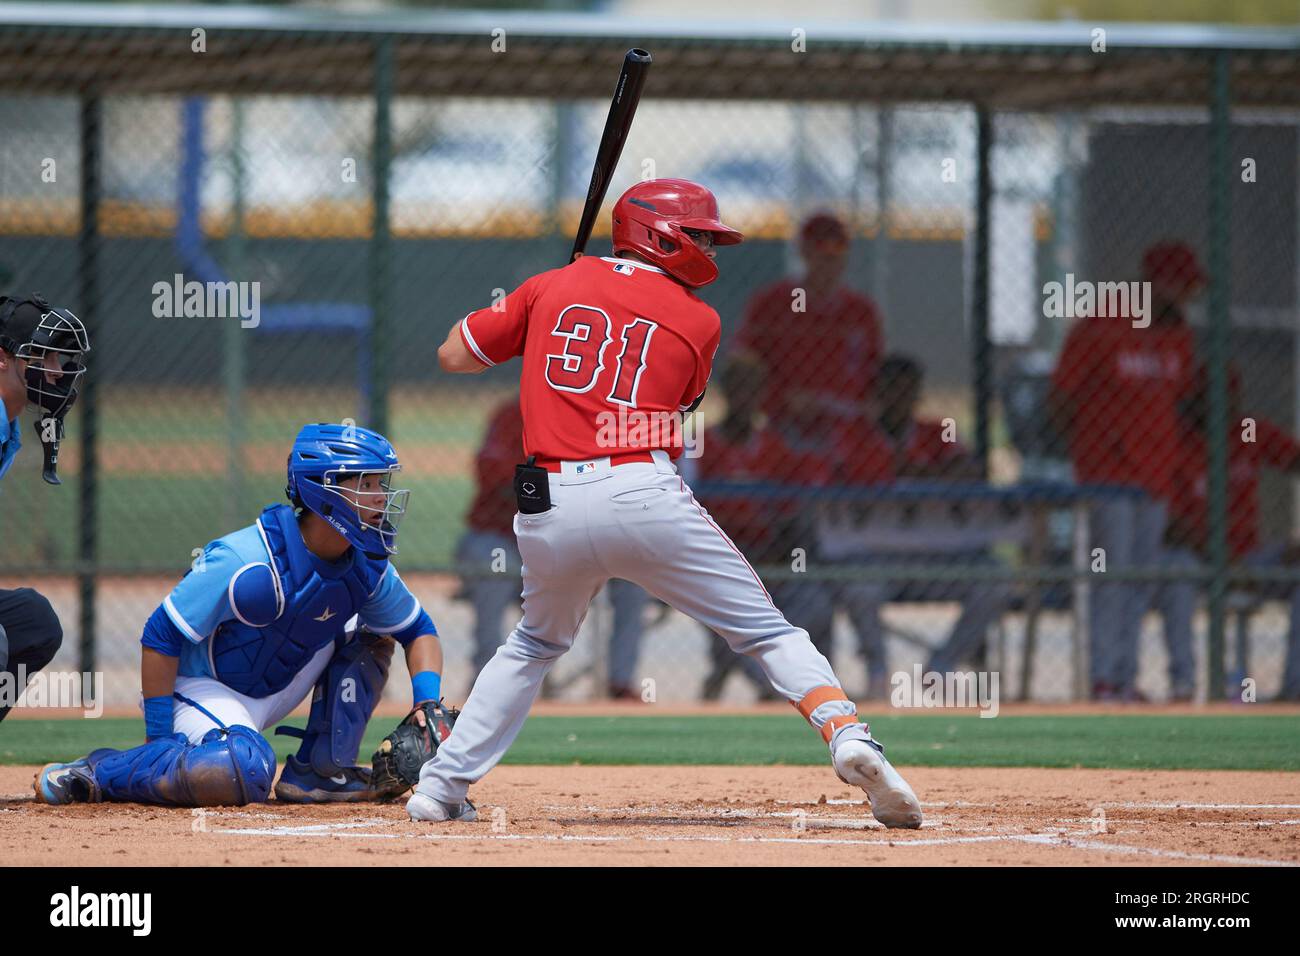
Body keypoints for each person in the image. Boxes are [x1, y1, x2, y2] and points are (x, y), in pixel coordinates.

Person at [413, 178, 921, 828]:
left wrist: (532, 307)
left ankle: (439, 788)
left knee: (533, 645)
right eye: (701, 234)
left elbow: (453, 353)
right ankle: (848, 735)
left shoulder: (550, 285)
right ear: (661, 234)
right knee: (768, 631)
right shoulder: (699, 320)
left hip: (547, 505)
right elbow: (676, 403)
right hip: (640, 492)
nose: (709, 246)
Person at [34, 423, 447, 806]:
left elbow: (419, 630)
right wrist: (158, 741)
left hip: (274, 686)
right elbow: (161, 634)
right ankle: (99, 770)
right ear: (324, 492)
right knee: (242, 769)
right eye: (367, 484)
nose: (381, 497)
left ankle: (321, 772)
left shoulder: (366, 564)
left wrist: (425, 705)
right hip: (201, 686)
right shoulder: (247, 560)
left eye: (382, 483)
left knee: (372, 630)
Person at [1050, 241, 1203, 701]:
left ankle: (1124, 677)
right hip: (1108, 477)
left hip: (1155, 476)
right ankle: (1103, 678)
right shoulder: (1102, 323)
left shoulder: (1178, 335)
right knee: (1110, 575)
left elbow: (1178, 403)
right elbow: (1061, 396)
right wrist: (1087, 448)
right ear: (1160, 283)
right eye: (1184, 287)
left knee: (1140, 578)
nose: (1189, 297)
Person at [834, 356, 1011, 690]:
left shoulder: (935, 432)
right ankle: (878, 673)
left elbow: (969, 470)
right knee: (859, 588)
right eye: (890, 390)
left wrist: (927, 473)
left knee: (996, 578)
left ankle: (940, 667)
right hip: (878, 557)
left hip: (938, 556)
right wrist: (902, 473)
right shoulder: (858, 435)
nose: (898, 398)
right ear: (876, 394)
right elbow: (852, 477)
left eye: (906, 390)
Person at [456, 396, 651, 697]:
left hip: (573, 536)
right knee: (494, 568)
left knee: (633, 577)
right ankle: (486, 681)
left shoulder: (600, 420)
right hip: (502, 535)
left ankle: (620, 683)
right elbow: (494, 480)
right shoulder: (512, 415)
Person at [1160, 365, 1300, 701]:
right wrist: (1224, 560)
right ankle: (1184, 685)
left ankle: (1295, 690)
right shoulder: (1177, 441)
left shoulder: (1248, 431)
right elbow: (1172, 527)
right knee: (1177, 569)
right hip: (1201, 561)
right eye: (1209, 397)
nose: (1221, 406)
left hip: (1252, 561)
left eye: (1228, 397)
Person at [694, 351, 828, 701]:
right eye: (738, 389)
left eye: (752, 390)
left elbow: (790, 512)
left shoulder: (775, 445)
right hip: (716, 555)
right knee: (726, 618)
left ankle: (812, 684)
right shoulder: (701, 444)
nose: (745, 398)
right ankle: (770, 689)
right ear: (724, 392)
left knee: (815, 603)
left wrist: (782, 550)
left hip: (769, 555)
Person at [0, 293, 89, 725]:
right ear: (2, 359)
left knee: (32, 623)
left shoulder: (7, 425)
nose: (56, 371)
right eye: (41, 357)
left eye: (57, 359)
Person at [734, 211, 883, 441]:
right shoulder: (773, 303)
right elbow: (744, 362)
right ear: (805, 252)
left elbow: (875, 367)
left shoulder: (861, 310)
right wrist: (781, 398)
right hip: (784, 423)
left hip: (848, 424)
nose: (830, 261)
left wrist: (870, 404)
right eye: (821, 251)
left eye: (838, 251)